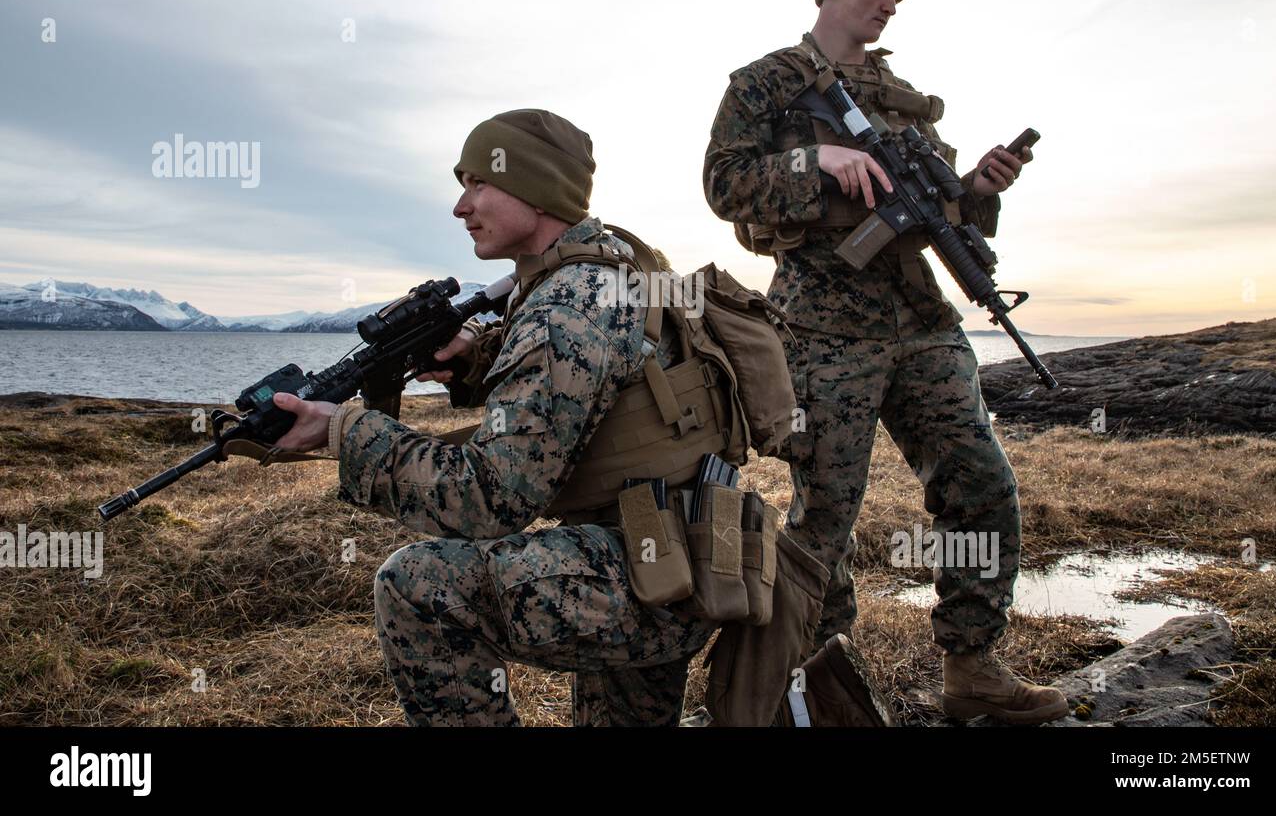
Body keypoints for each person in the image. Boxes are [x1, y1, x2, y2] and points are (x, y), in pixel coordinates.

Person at [268, 108, 885, 726]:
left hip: (647, 574)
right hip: (692, 549)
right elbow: (609, 375)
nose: (461, 205)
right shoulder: (618, 264)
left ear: (534, 189)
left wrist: (343, 431)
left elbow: (487, 501)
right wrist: (478, 358)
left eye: (478, 182)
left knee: (418, 587)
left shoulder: (565, 306)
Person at [702, 0, 1068, 725]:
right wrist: (817, 163)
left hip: (921, 317)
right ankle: (809, 679)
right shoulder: (764, 82)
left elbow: (939, 205)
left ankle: (973, 666)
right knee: (827, 512)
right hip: (822, 322)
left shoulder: (900, 96)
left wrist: (976, 187)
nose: (890, 4)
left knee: (980, 483)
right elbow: (723, 184)